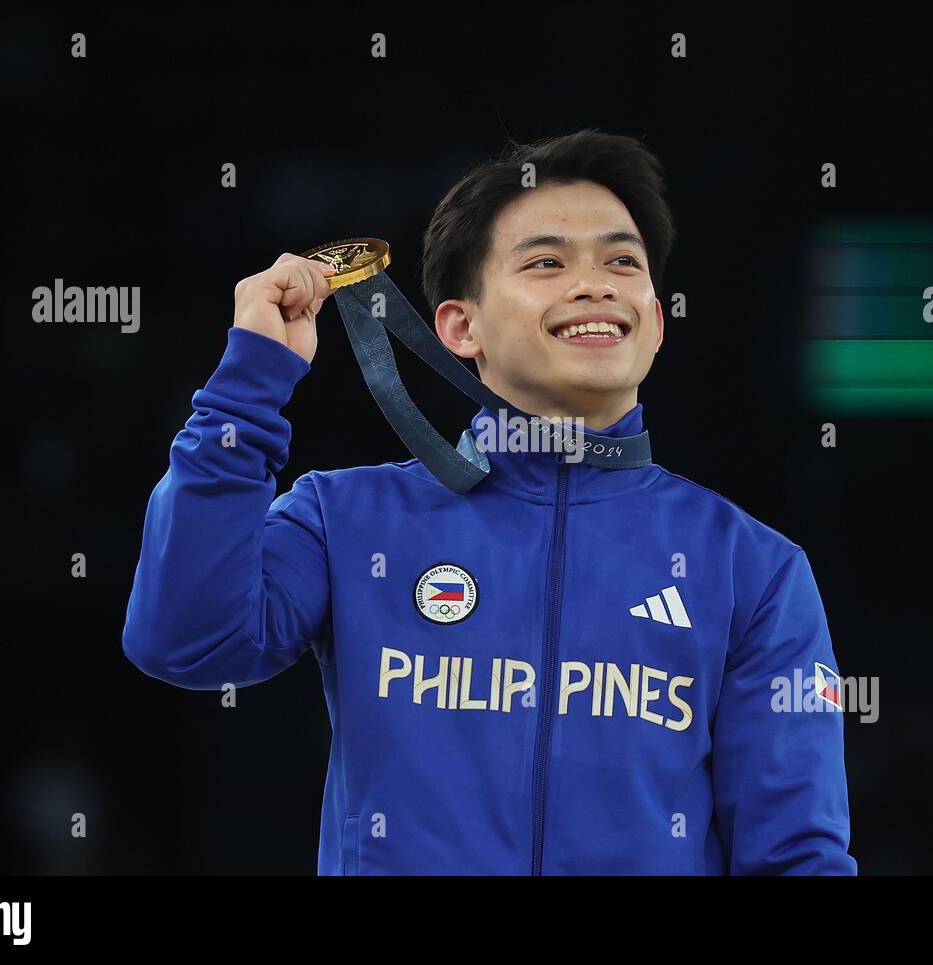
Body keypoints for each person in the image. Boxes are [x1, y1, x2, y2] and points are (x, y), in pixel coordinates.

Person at [122, 129, 857, 875]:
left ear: (656, 322)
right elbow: (185, 638)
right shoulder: (345, 520)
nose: (596, 283)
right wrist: (249, 384)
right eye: (546, 262)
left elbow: (798, 855)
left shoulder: (754, 569)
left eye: (622, 261)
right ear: (458, 326)